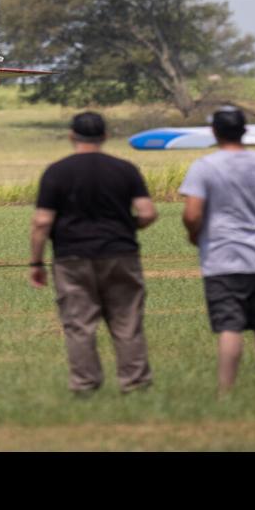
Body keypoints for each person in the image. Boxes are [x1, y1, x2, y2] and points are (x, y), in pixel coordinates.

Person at [29, 112, 158, 395]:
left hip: (71, 256)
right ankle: (135, 384)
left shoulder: (56, 172)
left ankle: (85, 385)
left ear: (72, 136)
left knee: (79, 325)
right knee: (127, 322)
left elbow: (42, 222)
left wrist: (36, 261)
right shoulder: (125, 169)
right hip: (120, 252)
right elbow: (148, 213)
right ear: (105, 136)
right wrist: (127, 227)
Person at [179, 107, 255, 395]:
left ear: (215, 132)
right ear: (245, 130)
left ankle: (226, 392)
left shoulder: (205, 166)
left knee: (230, 328)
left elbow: (192, 213)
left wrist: (194, 234)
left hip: (223, 259)